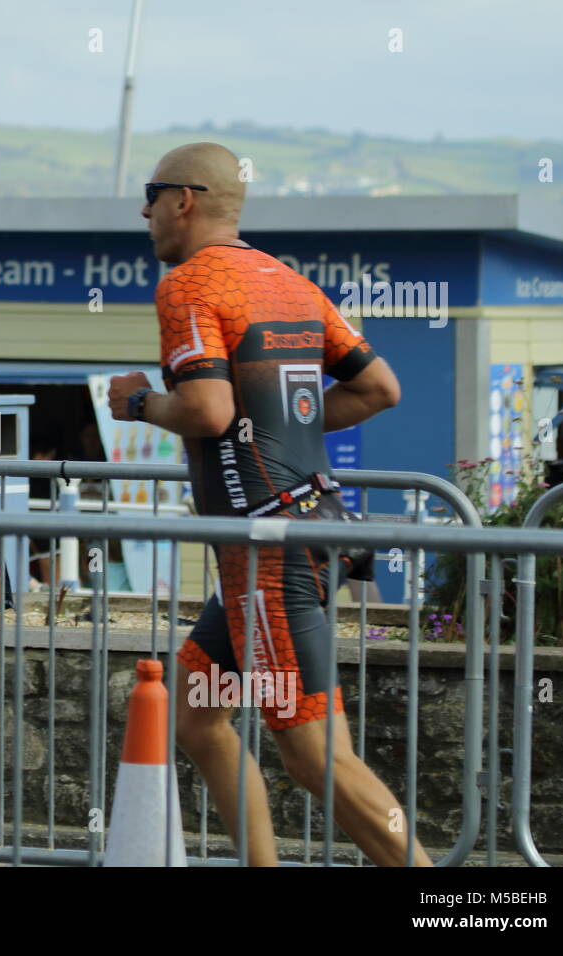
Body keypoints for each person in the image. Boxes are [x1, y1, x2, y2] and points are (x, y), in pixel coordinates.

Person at [108, 142, 425, 867]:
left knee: (313, 756)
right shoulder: (287, 281)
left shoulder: (189, 284)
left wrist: (137, 402)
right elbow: (381, 389)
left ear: (185, 199)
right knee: (195, 714)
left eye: (152, 194)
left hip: (268, 548)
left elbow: (207, 411)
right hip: (302, 527)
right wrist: (290, 426)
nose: (144, 210)